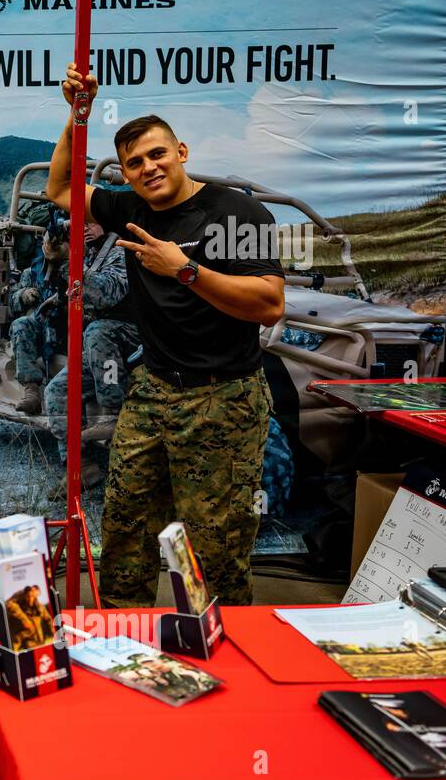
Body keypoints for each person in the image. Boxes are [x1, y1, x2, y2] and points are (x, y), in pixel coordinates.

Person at [46, 63, 285, 607]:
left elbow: (270, 306)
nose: (148, 168)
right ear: (126, 175)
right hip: (153, 391)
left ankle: (215, 646)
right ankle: (122, 641)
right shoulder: (130, 207)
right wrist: (74, 115)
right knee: (126, 522)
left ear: (182, 151)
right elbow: (58, 186)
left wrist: (184, 270)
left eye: (157, 154)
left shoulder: (236, 212)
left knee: (214, 544)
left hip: (224, 396)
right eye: (135, 163)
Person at [10, 214, 140, 498]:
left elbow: (106, 294)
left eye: (92, 221)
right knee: (58, 390)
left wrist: (70, 262)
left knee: (96, 330)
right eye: (79, 224)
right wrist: (55, 261)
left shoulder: (121, 252)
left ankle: (113, 412)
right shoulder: (89, 255)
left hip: (130, 337)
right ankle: (78, 468)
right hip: (97, 344)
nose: (86, 228)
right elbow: (65, 296)